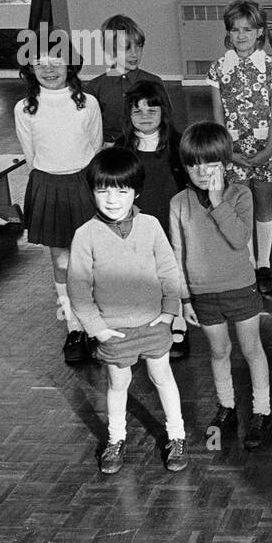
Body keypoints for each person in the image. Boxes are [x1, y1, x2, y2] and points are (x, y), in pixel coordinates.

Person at [67, 147, 187, 474]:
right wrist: (97, 329)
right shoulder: (85, 236)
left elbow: (168, 271)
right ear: (92, 192)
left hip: (154, 325)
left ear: (136, 192)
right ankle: (116, 439)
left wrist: (169, 310)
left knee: (163, 378)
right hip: (113, 331)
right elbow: (77, 289)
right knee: (118, 385)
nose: (112, 199)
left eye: (122, 190)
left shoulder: (150, 226)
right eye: (103, 190)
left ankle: (176, 435)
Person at [170, 121, 272, 450]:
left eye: (210, 163)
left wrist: (218, 202)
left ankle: (262, 409)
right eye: (193, 163)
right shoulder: (179, 203)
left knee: (252, 349)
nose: (201, 171)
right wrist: (184, 299)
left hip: (240, 288)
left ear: (225, 162)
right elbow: (177, 253)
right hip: (203, 294)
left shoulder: (240, 195)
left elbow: (240, 238)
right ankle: (226, 406)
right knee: (218, 351)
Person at [13, 55, 103, 363]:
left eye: (57, 62)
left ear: (71, 66)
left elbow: (95, 145)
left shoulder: (87, 103)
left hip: (83, 184)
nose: (49, 70)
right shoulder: (25, 108)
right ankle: (73, 327)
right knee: (62, 261)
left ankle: (96, 324)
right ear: (29, 69)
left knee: (92, 258)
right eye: (40, 63)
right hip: (48, 184)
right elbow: (30, 154)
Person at [207, 0, 272, 295]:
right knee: (239, 206)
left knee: (263, 204)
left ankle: (264, 264)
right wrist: (228, 151)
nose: (241, 35)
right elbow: (218, 112)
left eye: (248, 29)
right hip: (233, 149)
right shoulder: (219, 68)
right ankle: (247, 261)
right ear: (228, 33)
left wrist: (270, 148)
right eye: (235, 29)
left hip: (264, 147)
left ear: (260, 32)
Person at [117, 80, 190, 357]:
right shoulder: (123, 146)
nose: (145, 117)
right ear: (128, 115)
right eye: (137, 111)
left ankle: (177, 323)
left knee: (172, 273)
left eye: (151, 110)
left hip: (171, 222)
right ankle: (146, 325)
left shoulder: (177, 143)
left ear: (164, 111)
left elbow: (189, 182)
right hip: (137, 224)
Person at [85, 15, 170, 146]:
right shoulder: (96, 87)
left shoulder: (154, 82)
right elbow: (89, 127)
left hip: (146, 145)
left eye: (139, 46)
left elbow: (167, 120)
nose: (134, 54)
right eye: (126, 48)